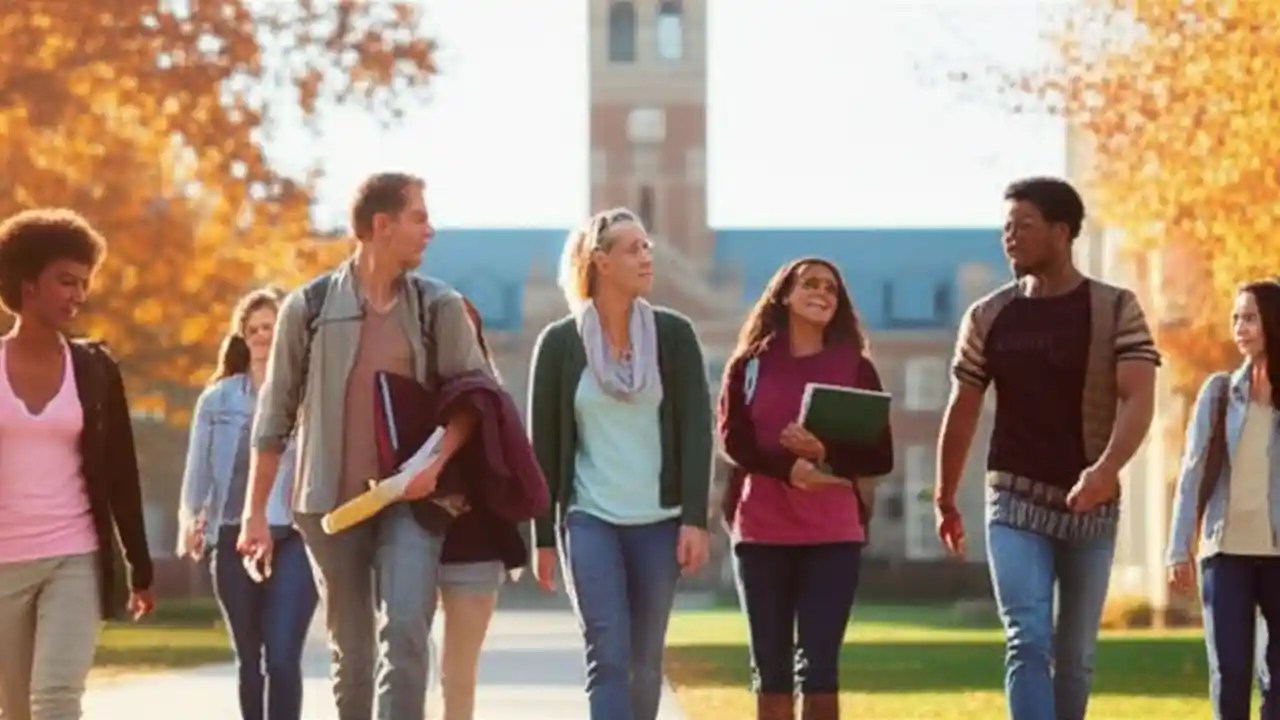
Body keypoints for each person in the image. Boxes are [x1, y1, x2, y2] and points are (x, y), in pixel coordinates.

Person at [239, 172, 488, 720]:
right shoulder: (308, 308)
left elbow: (476, 401)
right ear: (382, 225)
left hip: (412, 501)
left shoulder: (438, 306)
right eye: (419, 217)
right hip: (330, 505)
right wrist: (255, 513)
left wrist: (436, 465)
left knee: (405, 632)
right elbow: (274, 416)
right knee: (352, 655)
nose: (430, 230)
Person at [933, 176, 1160, 720]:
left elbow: (1138, 396)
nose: (1010, 237)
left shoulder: (1115, 308)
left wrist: (1106, 470)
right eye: (1006, 227)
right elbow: (963, 408)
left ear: (1062, 233)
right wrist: (944, 496)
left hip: (1090, 504)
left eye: (1024, 225)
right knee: (1028, 640)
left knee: (1076, 658)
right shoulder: (987, 316)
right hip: (1013, 501)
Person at [528, 207, 712, 720]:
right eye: (634, 249)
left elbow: (697, 431)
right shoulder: (560, 344)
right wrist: (542, 537)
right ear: (600, 262)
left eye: (647, 246)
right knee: (607, 655)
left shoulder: (675, 336)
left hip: (659, 521)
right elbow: (543, 449)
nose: (647, 256)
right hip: (590, 519)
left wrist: (695, 518)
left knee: (644, 663)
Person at [716, 257, 894, 720]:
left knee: (820, 670)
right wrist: (787, 468)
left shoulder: (856, 367)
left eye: (831, 288)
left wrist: (824, 453)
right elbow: (733, 441)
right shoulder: (749, 366)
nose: (822, 293)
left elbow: (880, 456)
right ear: (784, 295)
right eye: (810, 284)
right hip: (762, 533)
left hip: (833, 534)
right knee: (770, 670)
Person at [0, 208, 155, 720]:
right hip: (4, 562)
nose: (79, 294)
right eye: (66, 281)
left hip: (74, 555)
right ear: (28, 284)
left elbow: (121, 472)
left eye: (84, 283)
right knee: (15, 709)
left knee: (56, 698)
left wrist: (139, 565)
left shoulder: (95, 369)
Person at [176, 287, 317, 720]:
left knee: (282, 656)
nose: (260, 336)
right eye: (252, 329)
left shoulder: (307, 397)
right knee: (249, 660)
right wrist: (190, 518)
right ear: (242, 336)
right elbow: (197, 468)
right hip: (231, 536)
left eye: (269, 327)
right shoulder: (217, 400)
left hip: (293, 537)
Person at [1167, 280, 1280, 719]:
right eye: (1236, 318)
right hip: (1225, 554)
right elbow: (1192, 471)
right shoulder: (1219, 393)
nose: (1240, 328)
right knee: (1230, 674)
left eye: (1250, 318)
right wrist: (1179, 547)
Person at [430, 297, 524, 720]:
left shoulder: (494, 401)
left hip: (476, 549)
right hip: (411, 540)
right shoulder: (409, 395)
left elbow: (510, 478)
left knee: (458, 675)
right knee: (406, 664)